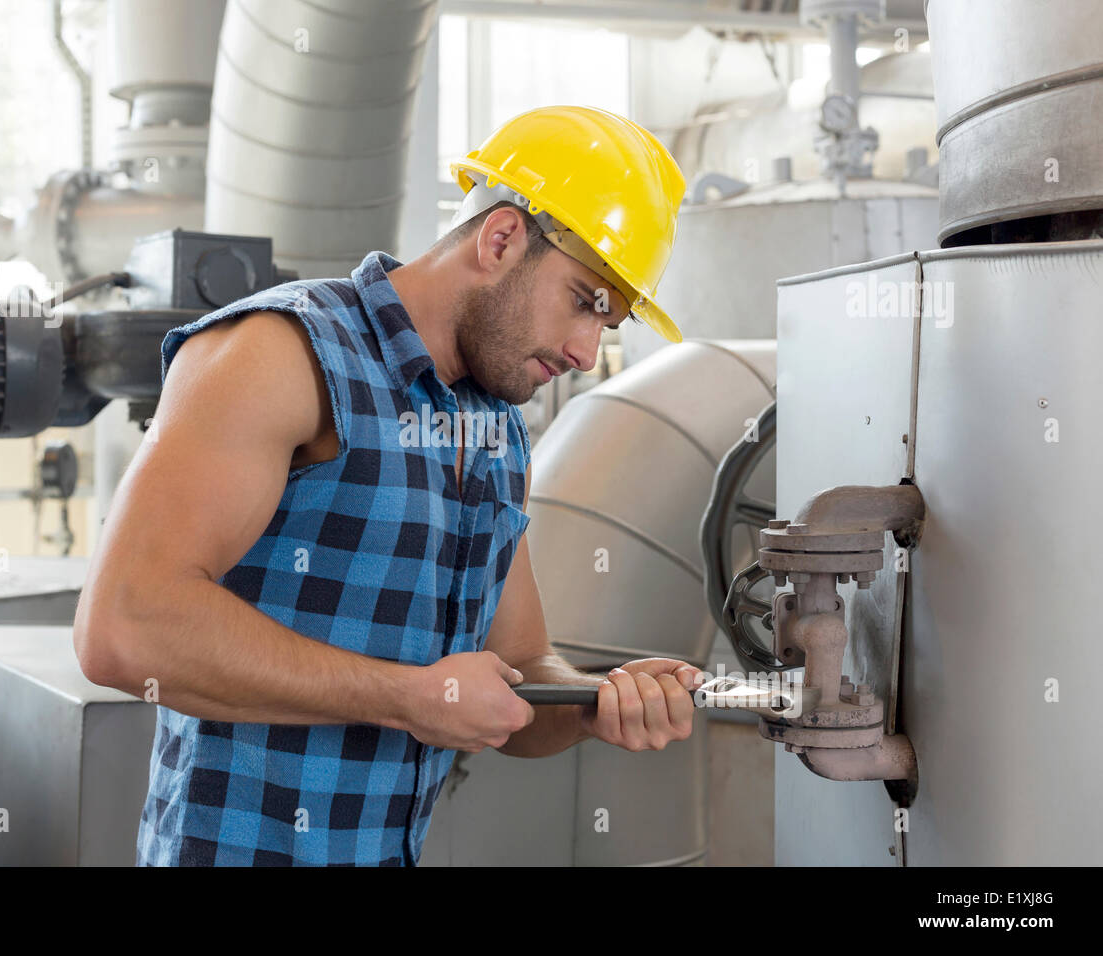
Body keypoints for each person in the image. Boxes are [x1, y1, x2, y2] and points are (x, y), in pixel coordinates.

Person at [74, 105, 701, 866]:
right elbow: (123, 629)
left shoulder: (495, 429)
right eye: (584, 301)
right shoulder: (283, 352)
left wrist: (598, 702)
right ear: (500, 239)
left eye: (610, 324)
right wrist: (410, 696)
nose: (584, 351)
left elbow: (523, 675)